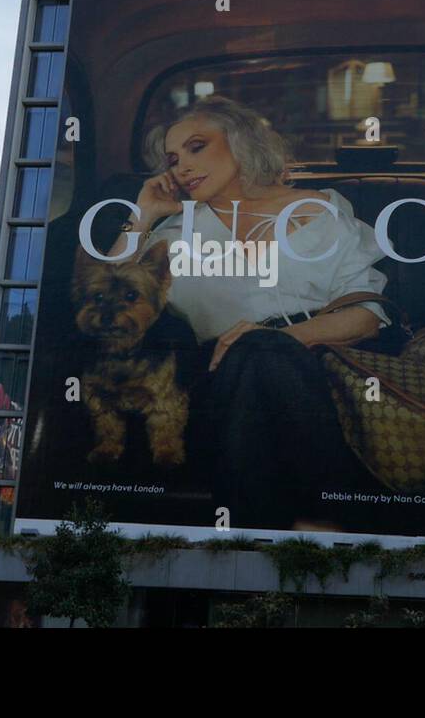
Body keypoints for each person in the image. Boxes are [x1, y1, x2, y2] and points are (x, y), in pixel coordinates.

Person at [105, 95, 388, 531]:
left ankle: (257, 546)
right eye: (173, 159)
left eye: (197, 147)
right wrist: (142, 216)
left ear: (240, 143)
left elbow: (368, 313)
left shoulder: (318, 209)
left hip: (319, 379)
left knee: (261, 354)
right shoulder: (177, 232)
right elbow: (105, 299)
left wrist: (272, 340)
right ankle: (327, 524)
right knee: (252, 359)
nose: (182, 166)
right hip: (215, 386)